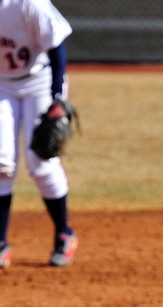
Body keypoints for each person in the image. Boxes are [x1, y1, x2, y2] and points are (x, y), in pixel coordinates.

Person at [0, 0, 78, 268]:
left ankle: (64, 233)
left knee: (41, 162)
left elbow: (56, 49)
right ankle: (0, 244)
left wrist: (57, 98)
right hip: (2, 86)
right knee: (1, 163)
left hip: (39, 82)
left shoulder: (28, 4)